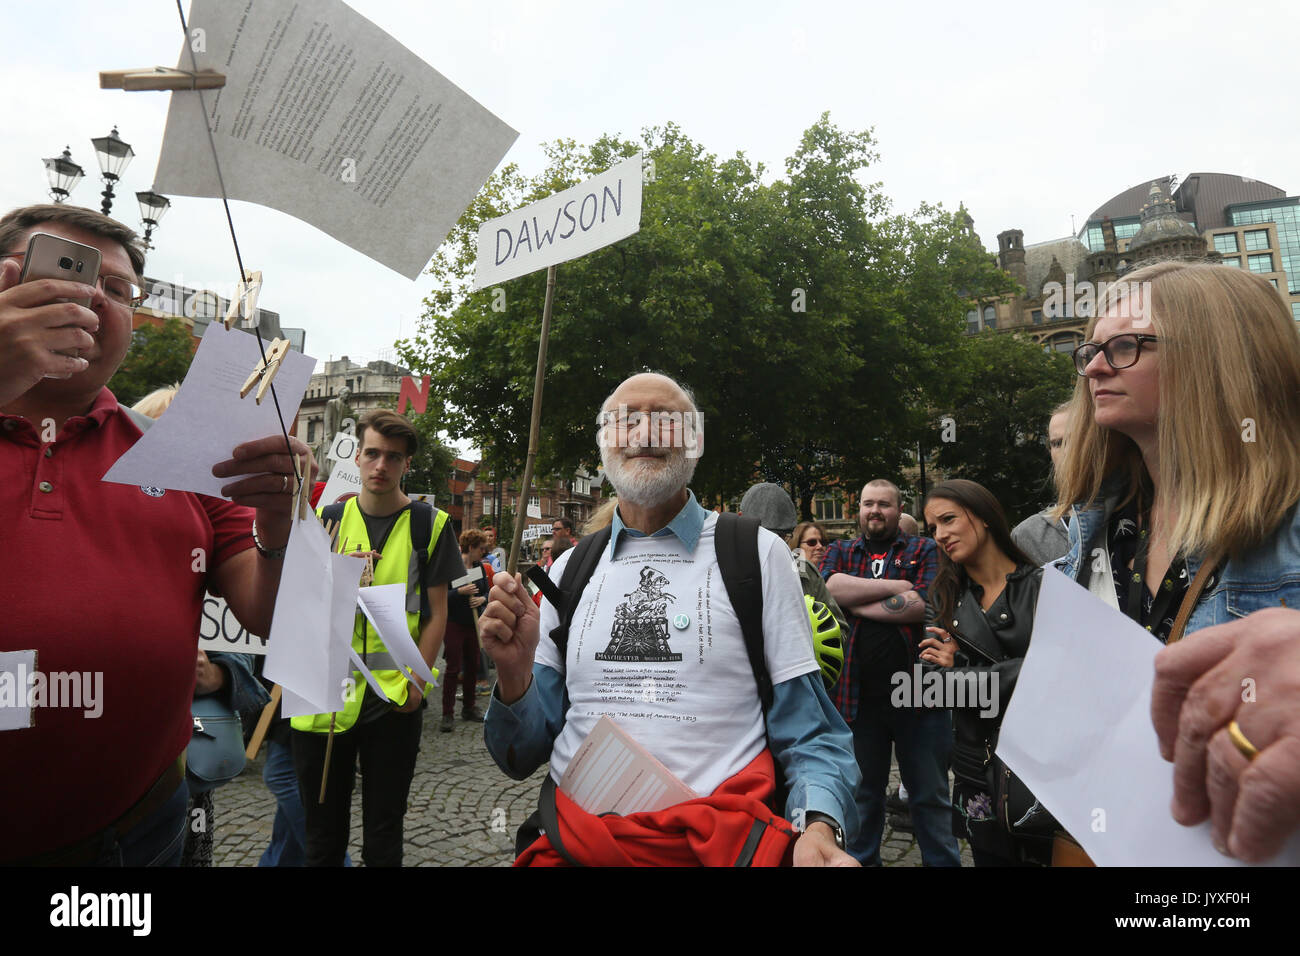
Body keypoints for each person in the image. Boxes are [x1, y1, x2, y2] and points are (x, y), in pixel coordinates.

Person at [0, 203, 313, 866]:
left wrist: (281, 526)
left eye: (119, 289)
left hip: (138, 833)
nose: (96, 298)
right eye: (68, 271)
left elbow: (270, 612)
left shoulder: (184, 456)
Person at [481, 373, 860, 866]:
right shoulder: (567, 571)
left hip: (719, 846)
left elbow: (810, 732)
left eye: (667, 421)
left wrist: (818, 827)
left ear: (694, 442)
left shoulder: (757, 555)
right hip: (575, 845)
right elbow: (520, 754)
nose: (644, 434)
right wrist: (514, 674)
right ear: (605, 443)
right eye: (625, 421)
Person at [1052, 260, 1300, 863]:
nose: (1094, 367)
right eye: (1091, 350)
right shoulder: (1092, 532)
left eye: (1128, 346)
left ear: (1222, 357)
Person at [290, 409, 464, 867]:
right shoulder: (326, 519)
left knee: (384, 834)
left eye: (393, 457)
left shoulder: (431, 524)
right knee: (321, 837)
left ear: (407, 464)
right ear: (358, 455)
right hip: (327, 697)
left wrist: (416, 684)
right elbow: (301, 605)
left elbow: (436, 615)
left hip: (392, 697)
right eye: (372, 453)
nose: (380, 466)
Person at [822, 479, 962, 866]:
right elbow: (829, 587)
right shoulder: (841, 549)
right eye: (868, 503)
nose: (875, 511)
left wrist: (857, 602)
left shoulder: (925, 548)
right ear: (859, 508)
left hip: (920, 696)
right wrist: (898, 587)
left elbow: (927, 603)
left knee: (930, 798)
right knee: (863, 798)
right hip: (858, 699)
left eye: (884, 504)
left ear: (898, 510)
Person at [919, 479, 1056, 866]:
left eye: (948, 519)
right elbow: (927, 689)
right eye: (932, 528)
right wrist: (1019, 671)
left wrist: (961, 666)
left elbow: (1058, 677)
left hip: (1042, 767)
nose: (941, 535)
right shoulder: (943, 597)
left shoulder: (1043, 585)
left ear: (982, 516)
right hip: (976, 771)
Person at [443, 528, 492, 730]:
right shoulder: (452, 567)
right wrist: (459, 592)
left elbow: (487, 591)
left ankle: (469, 707)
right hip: (454, 623)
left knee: (473, 665)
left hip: (473, 623)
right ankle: (447, 713)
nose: (484, 552)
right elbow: (440, 597)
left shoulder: (479, 567)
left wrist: (483, 599)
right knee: (453, 668)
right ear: (470, 548)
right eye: (481, 548)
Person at [1011, 402, 1072, 565]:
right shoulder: (1028, 536)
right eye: (1057, 443)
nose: (1066, 451)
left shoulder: (1136, 520)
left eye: (1076, 439)